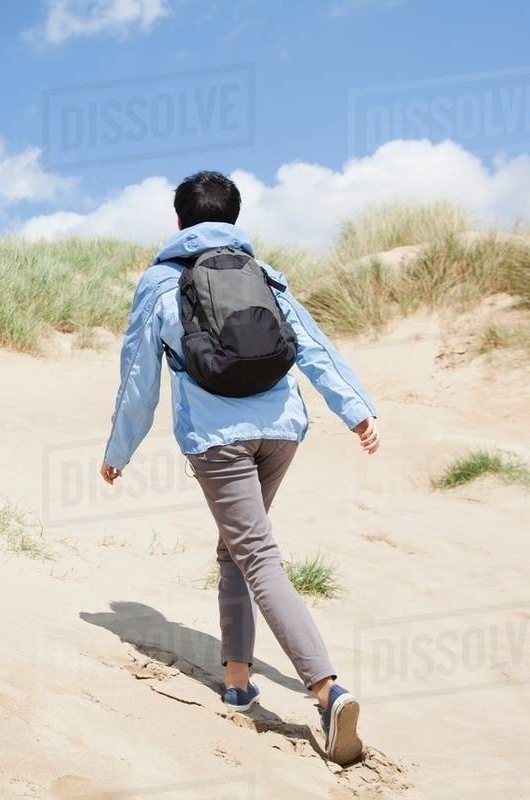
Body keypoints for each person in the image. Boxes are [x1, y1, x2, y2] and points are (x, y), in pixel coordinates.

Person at [98, 170, 380, 766]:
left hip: (217, 440)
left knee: (256, 556)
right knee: (237, 549)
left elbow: (138, 379)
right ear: (232, 216)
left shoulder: (160, 282)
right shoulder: (264, 273)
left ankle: (328, 691)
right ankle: (236, 678)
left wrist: (118, 451)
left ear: (179, 222)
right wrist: (355, 410)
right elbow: (313, 345)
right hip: (282, 432)